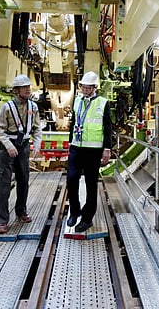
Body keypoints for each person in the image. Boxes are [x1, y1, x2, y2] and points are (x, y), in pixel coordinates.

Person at [0, 74, 42, 233]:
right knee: (4, 184)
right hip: (8, 147)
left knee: (23, 181)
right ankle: (2, 221)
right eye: (24, 87)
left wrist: (37, 144)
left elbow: (37, 128)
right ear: (16, 90)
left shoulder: (33, 107)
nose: (28, 89)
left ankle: (21, 211)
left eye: (29, 87)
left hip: (23, 147)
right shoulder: (7, 107)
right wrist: (8, 145)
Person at [66, 71, 112, 232]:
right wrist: (69, 142)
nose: (85, 90)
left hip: (93, 150)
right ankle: (74, 211)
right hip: (76, 148)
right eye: (83, 87)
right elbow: (73, 123)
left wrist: (107, 148)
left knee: (91, 184)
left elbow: (108, 128)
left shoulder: (103, 103)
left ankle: (87, 218)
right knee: (71, 179)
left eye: (88, 88)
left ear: (94, 88)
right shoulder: (77, 101)